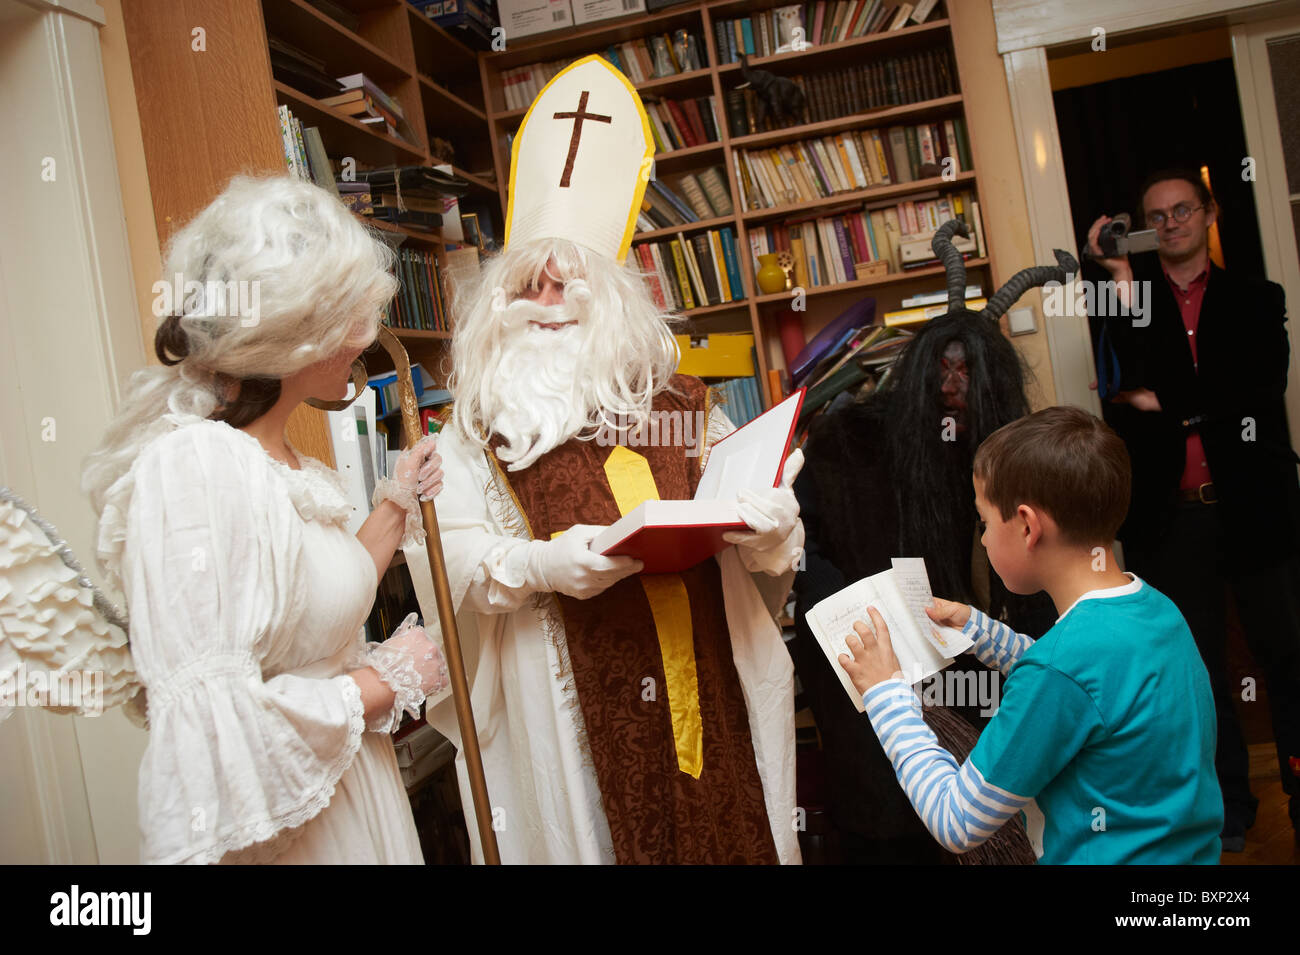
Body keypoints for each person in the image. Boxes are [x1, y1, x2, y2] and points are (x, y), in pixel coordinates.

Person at [404, 55, 802, 864]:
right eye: (532, 285)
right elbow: (447, 555)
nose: (549, 303)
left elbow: (747, 539)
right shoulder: (473, 429)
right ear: (499, 300)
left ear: (614, 299)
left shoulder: (683, 403)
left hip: (709, 689)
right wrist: (545, 564)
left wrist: (770, 529)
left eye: (569, 284)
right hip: (565, 715)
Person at [80, 175, 448, 864]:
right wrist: (384, 680)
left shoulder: (284, 463)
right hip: (297, 836)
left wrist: (396, 504)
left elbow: (316, 605)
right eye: (348, 318)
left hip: (354, 802)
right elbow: (213, 737)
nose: (363, 339)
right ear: (291, 331)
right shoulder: (194, 469)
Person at [839, 406, 1223, 863]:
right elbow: (1092, 689)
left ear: (1026, 525)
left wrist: (886, 693)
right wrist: (979, 631)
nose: (982, 539)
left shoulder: (1059, 670)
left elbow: (955, 821)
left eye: (984, 523)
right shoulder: (1155, 610)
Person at [791, 222, 1062, 863]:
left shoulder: (1014, 464)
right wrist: (854, 616)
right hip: (869, 666)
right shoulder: (845, 445)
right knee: (890, 821)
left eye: (968, 373)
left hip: (974, 670)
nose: (951, 385)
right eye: (940, 369)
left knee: (975, 823)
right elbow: (797, 550)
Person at [1085, 168, 1300, 851]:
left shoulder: (1257, 297)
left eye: (1183, 209)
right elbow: (1119, 384)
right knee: (1198, 677)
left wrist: (1170, 403)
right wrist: (1118, 271)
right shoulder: (1133, 299)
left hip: (1260, 511)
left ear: (1207, 212)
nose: (1172, 221)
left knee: (1290, 658)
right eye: (1157, 215)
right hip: (1171, 521)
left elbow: (1254, 392)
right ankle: (1229, 811)